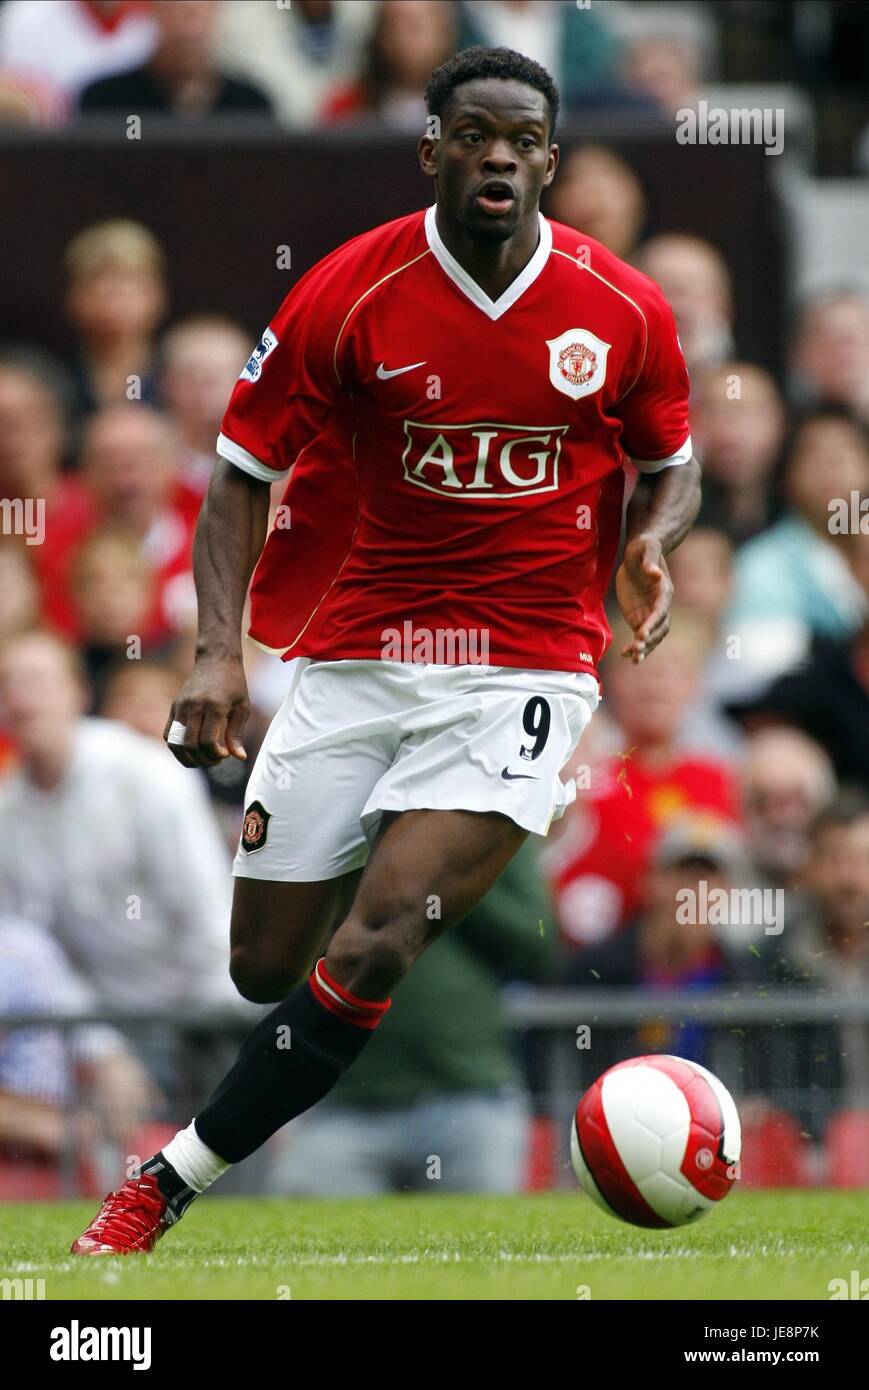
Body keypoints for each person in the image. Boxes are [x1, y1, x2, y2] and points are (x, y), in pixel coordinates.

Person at [71, 44, 701, 1255]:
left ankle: (166, 1180)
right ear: (432, 150)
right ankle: (295, 1036)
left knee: (378, 936)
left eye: (521, 139)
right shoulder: (349, 292)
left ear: (550, 162)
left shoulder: (619, 306)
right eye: (473, 134)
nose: (498, 156)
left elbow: (666, 456)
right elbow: (240, 472)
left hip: (526, 667)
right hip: (360, 653)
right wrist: (216, 654)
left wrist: (651, 541)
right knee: (263, 966)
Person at [79, 0, 272, 119]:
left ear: (216, 15)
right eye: (174, 12)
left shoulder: (251, 107)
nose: (186, 30)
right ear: (154, 13)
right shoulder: (106, 103)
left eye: (195, 15)